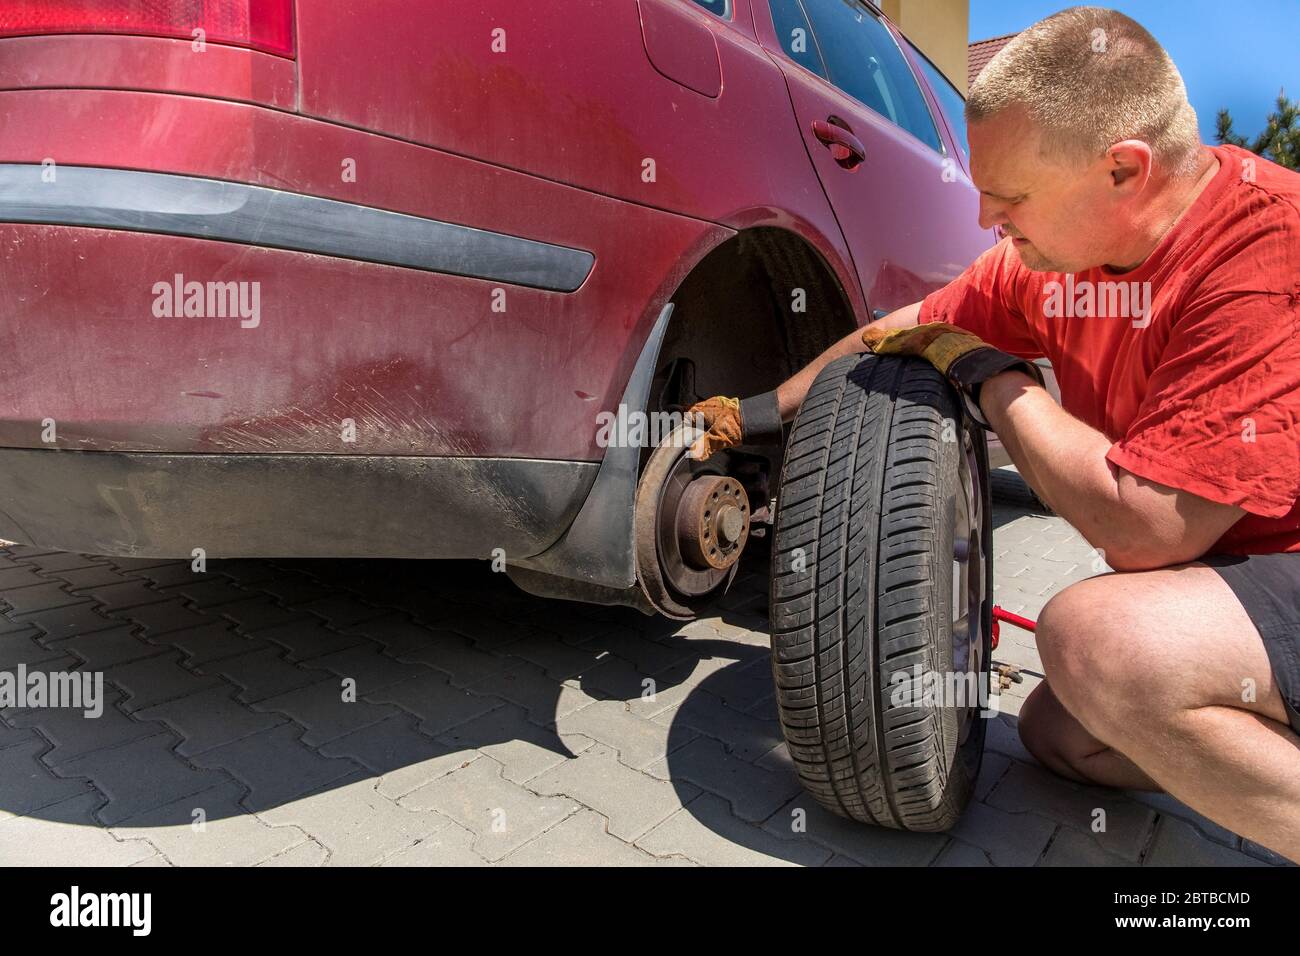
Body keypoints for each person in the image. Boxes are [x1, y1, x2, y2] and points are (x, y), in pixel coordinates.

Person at [687, 6, 1300, 862]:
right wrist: (754, 413)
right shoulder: (1055, 264)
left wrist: (1000, 381)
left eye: (1009, 197)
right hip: (1245, 568)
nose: (985, 219)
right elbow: (901, 327)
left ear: (1124, 170)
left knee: (1095, 644)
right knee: (1062, 733)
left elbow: (1146, 530)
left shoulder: (1265, 253)